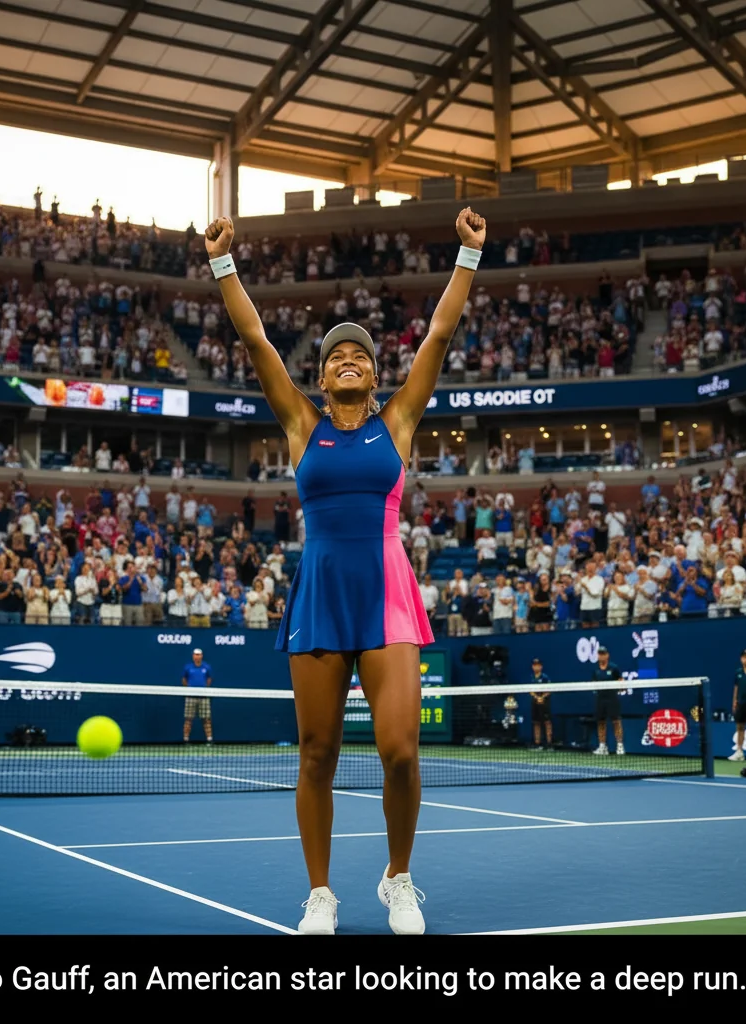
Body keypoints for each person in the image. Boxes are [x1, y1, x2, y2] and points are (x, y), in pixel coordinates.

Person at [205, 205, 487, 936]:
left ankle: (399, 878)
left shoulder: (399, 422)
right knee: (317, 754)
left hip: (388, 594)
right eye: (336, 356)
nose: (349, 359)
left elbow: (438, 334)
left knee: (401, 752)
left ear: (375, 372)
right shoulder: (303, 425)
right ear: (323, 377)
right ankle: (321, 894)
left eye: (360, 353)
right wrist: (223, 263)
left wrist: (467, 256)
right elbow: (256, 338)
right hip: (321, 596)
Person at [591, 645, 624, 755]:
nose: (601, 656)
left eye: (603, 654)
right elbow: (593, 684)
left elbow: (621, 681)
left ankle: (620, 746)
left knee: (616, 722)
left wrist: (620, 688)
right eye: (600, 654)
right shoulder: (596, 670)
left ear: (607, 655)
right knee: (601, 722)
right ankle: (602, 746)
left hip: (612, 699)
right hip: (600, 699)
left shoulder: (614, 668)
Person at [182, 647, 213, 743]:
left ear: (201, 656)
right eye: (195, 655)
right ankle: (185, 739)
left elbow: (209, 679)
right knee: (188, 719)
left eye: (198, 655)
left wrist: (204, 690)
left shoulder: (206, 667)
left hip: (203, 696)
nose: (197, 656)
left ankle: (209, 739)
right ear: (193, 656)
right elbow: (184, 679)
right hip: (191, 696)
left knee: (206, 719)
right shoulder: (188, 667)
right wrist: (190, 690)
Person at [529, 657, 553, 750]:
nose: (536, 667)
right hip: (535, 703)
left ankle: (549, 744)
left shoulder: (545, 677)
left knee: (547, 722)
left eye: (538, 665)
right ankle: (537, 744)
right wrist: (536, 697)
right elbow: (530, 690)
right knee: (536, 723)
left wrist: (542, 697)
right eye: (534, 665)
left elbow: (549, 690)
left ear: (541, 666)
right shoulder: (531, 678)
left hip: (544, 703)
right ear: (532, 667)